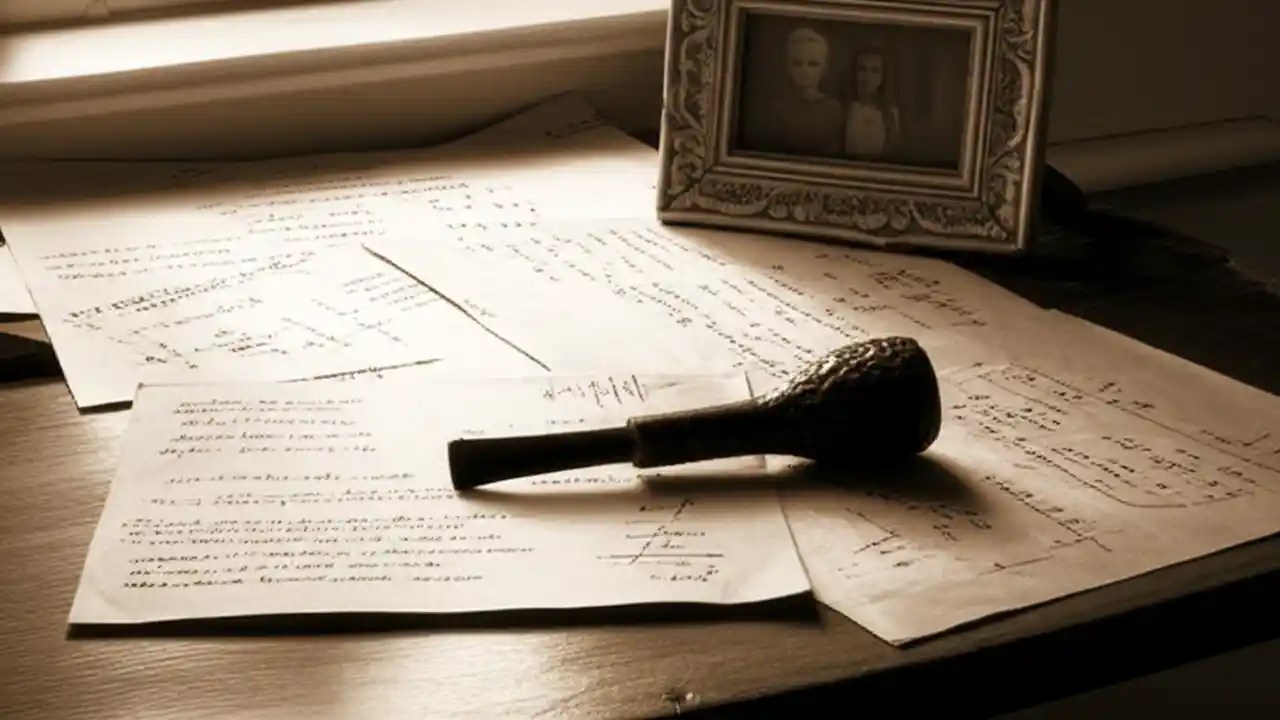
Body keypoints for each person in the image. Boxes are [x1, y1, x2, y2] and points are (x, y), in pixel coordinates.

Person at [742, 27, 843, 157]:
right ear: (787, 65)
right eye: (797, 63)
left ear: (824, 68)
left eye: (813, 64)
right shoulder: (774, 108)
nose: (804, 70)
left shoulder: (833, 109)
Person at [844, 46, 902, 160]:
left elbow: (894, 153)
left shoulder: (889, 113)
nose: (868, 77)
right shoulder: (844, 109)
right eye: (862, 69)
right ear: (854, 72)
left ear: (882, 77)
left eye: (875, 71)